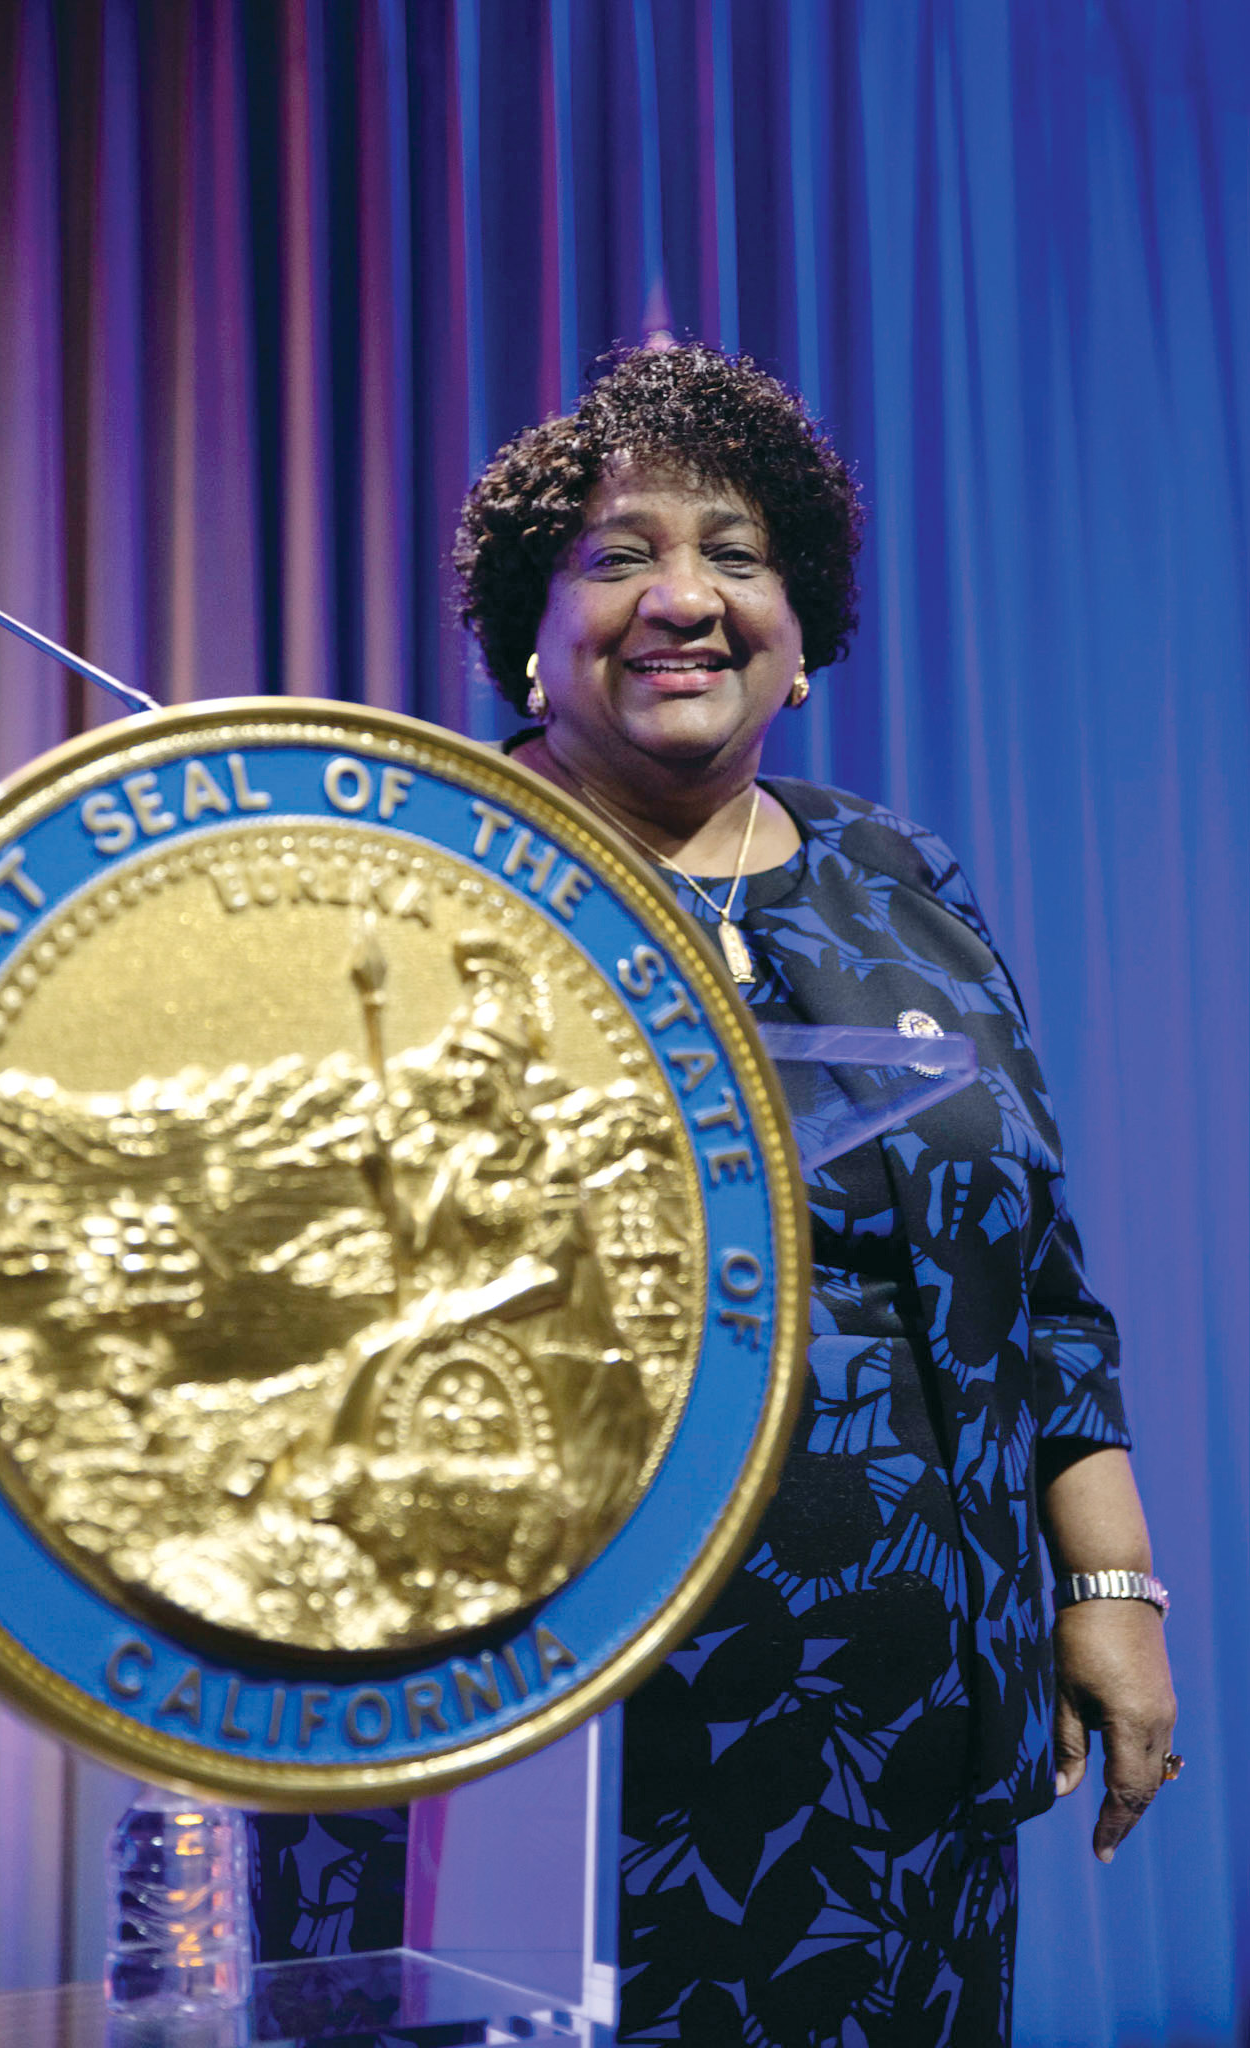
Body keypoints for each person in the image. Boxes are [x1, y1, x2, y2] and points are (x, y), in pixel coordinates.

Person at [453, 342, 1178, 2048]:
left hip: (907, 1719)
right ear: (530, 630)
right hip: (562, 1729)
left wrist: (1110, 1592)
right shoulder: (430, 872)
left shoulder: (897, 875)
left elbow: (1038, 1282)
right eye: (618, 556)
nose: (680, 599)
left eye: (735, 553)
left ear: (801, 632)